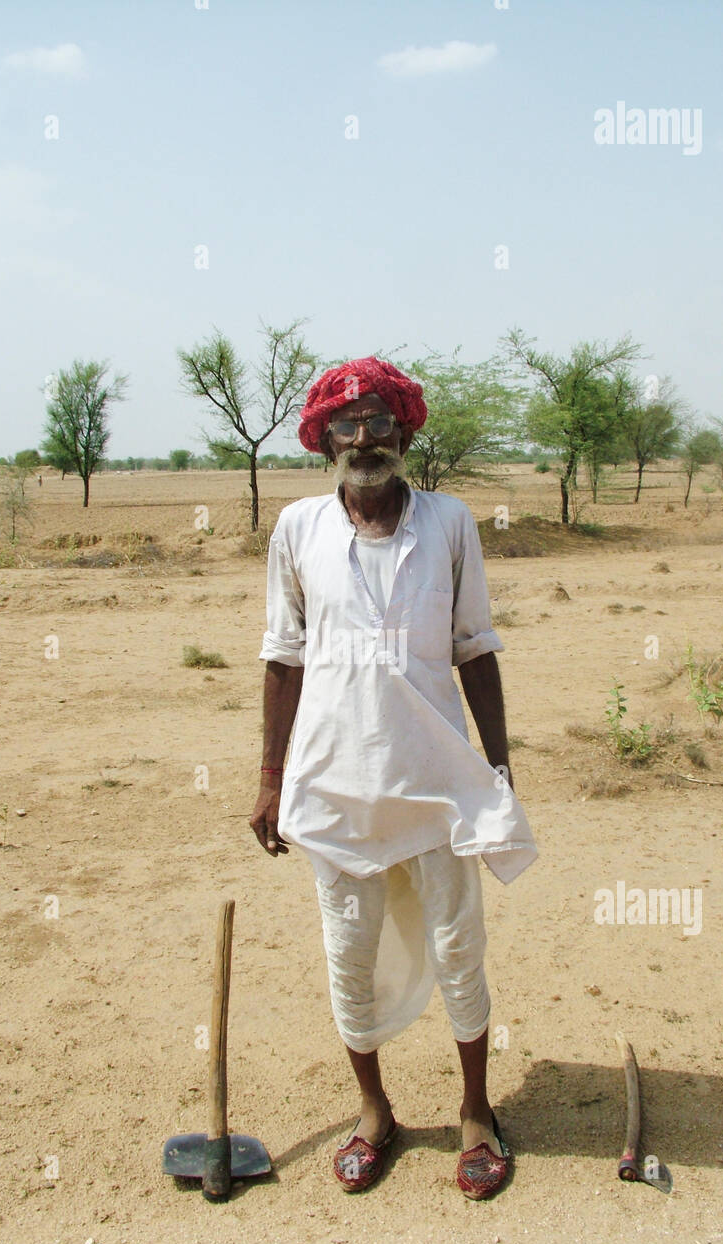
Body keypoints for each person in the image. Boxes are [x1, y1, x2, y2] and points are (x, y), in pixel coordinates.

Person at [250, 356, 537, 1198]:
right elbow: (282, 657)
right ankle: (375, 1113)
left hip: (436, 778)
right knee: (349, 953)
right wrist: (270, 779)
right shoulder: (298, 529)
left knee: (458, 947)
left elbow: (475, 647)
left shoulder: (449, 524)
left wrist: (498, 764)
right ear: (324, 438)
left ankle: (478, 1113)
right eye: (347, 423)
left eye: (379, 420)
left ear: (405, 431)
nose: (364, 437)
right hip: (334, 779)